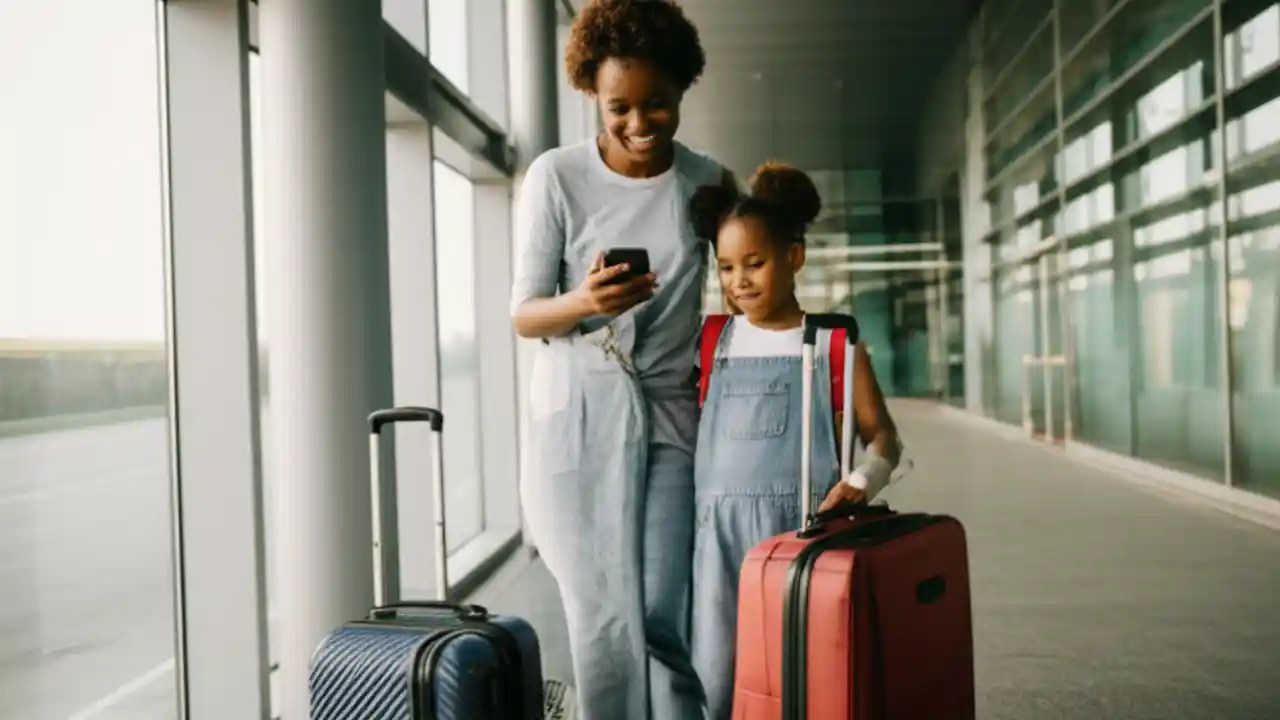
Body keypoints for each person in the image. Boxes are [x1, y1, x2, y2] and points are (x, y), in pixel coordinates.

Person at [509, 1, 733, 717]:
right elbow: (525, 314)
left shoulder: (707, 182)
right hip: (578, 413)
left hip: (668, 411)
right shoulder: (555, 177)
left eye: (657, 105)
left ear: (681, 92)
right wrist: (587, 302)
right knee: (600, 616)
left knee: (663, 607)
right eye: (619, 109)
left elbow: (743, 286)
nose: (639, 125)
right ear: (591, 98)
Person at [687, 162, 905, 718]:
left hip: (805, 537)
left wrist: (861, 481)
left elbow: (884, 437)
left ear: (795, 257)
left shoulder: (834, 344)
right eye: (727, 267)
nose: (740, 281)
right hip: (717, 546)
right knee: (716, 676)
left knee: (806, 677)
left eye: (755, 264)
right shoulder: (713, 341)